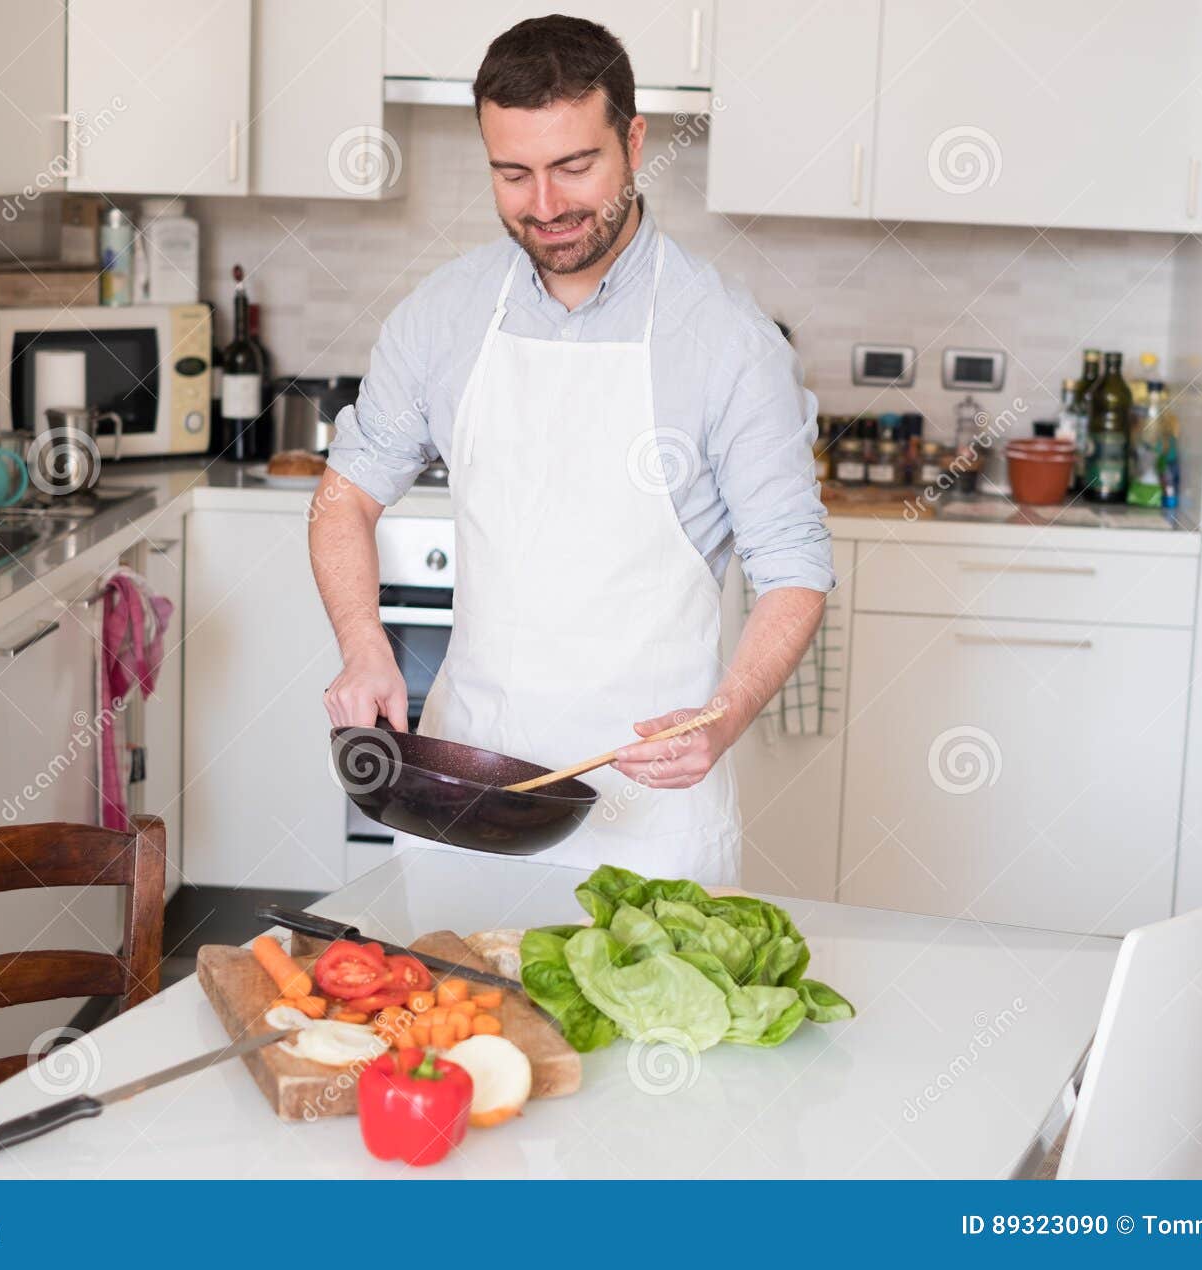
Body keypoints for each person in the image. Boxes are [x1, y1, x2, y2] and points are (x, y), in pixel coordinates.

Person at [310, 14, 831, 884]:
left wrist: (726, 714)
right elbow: (345, 496)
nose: (545, 205)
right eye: (513, 173)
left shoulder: (730, 342)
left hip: (649, 813)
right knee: (456, 1017)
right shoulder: (444, 314)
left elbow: (796, 568)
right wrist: (363, 645)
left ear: (633, 140)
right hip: (463, 790)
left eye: (574, 166)